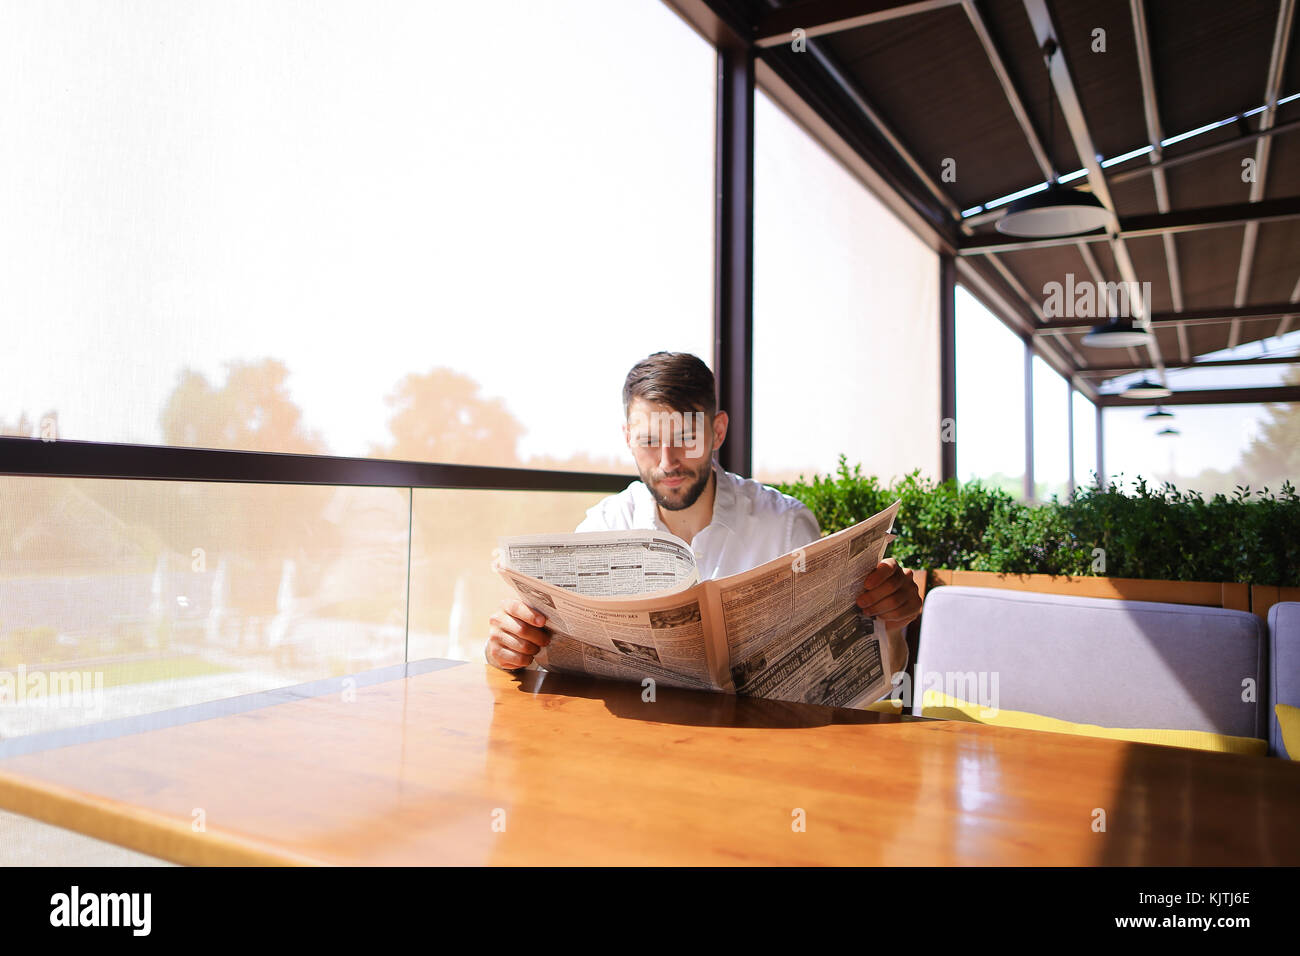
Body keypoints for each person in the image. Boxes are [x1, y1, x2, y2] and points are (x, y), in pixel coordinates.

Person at [486, 351, 924, 682]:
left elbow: (872, 676)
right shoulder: (604, 527)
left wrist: (893, 625)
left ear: (717, 432)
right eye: (648, 442)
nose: (666, 462)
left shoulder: (786, 527)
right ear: (627, 438)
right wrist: (508, 650)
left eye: (685, 438)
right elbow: (547, 659)